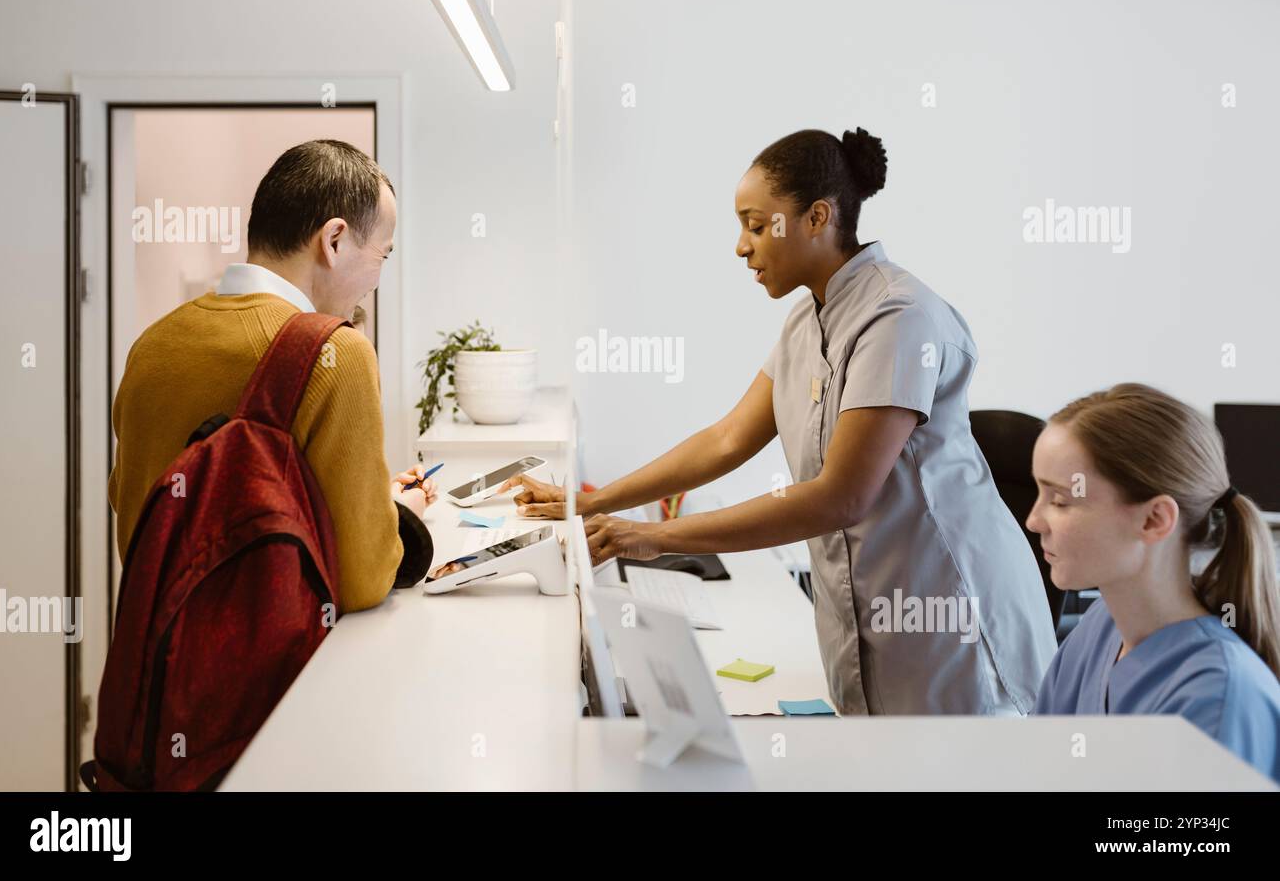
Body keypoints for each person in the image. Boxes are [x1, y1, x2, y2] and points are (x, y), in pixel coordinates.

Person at [510, 127, 1056, 715]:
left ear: (817, 216)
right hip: (877, 615)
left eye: (754, 223)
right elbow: (726, 439)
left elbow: (839, 499)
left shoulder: (900, 316)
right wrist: (592, 502)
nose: (741, 246)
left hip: (952, 618)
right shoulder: (806, 322)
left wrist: (651, 537)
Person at [109, 139, 436, 612]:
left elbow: (133, 501)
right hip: (277, 676)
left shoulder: (153, 344)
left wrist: (367, 502)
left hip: (160, 664)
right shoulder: (338, 353)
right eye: (382, 255)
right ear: (335, 240)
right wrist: (399, 517)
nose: (377, 281)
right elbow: (362, 582)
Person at [1029, 383, 1280, 781]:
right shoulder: (1097, 629)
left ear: (1154, 520)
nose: (1034, 520)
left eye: (1060, 501)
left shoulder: (1218, 696)